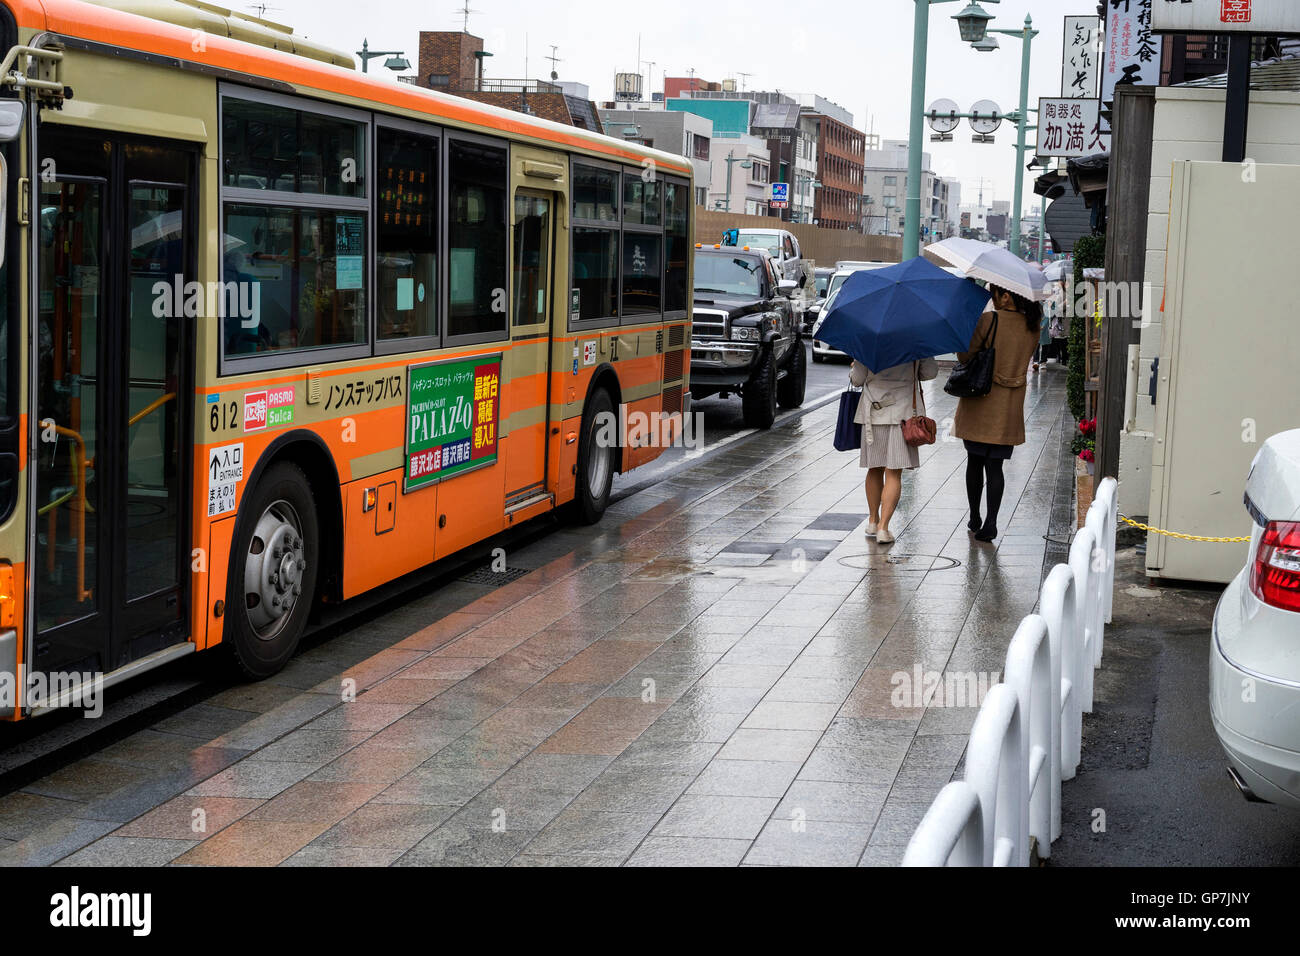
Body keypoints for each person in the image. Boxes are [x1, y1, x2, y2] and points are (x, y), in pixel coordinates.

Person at [954, 285, 1043, 542]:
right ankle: (991, 523)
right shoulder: (1032, 325)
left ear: (1007, 295)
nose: (993, 299)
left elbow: (964, 356)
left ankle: (974, 517)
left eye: (995, 294)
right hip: (1009, 405)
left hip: (981, 402)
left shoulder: (989, 319)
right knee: (996, 467)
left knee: (974, 462)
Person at [849, 356, 939, 544]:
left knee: (874, 468)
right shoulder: (917, 339)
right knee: (893, 474)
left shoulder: (868, 338)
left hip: (873, 414)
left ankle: (873, 521)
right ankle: (883, 528)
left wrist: (853, 368)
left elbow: (857, 379)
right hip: (904, 414)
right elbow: (930, 373)